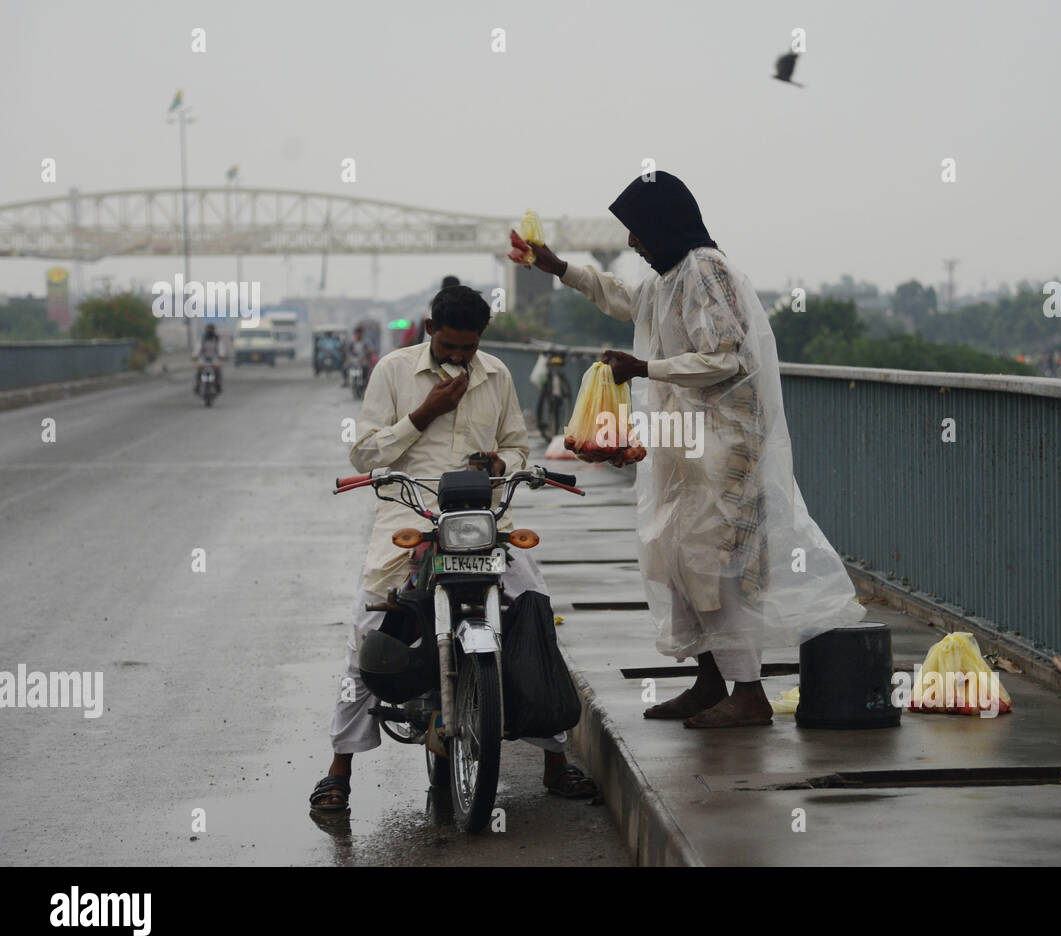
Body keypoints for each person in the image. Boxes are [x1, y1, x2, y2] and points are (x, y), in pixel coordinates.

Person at [518, 172, 863, 729]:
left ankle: (749, 693)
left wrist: (644, 368)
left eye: (637, 231)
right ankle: (709, 680)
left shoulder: (707, 270)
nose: (632, 243)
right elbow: (627, 299)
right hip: (681, 444)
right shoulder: (668, 277)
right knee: (675, 558)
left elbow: (726, 355)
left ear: (662, 224)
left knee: (716, 565)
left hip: (725, 448)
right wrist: (559, 268)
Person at [310, 285, 596, 811]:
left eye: (469, 348)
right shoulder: (393, 371)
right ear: (430, 332)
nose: (460, 358)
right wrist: (423, 414)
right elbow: (363, 453)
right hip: (410, 515)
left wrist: (500, 465)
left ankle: (556, 763)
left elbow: (517, 445)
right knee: (370, 633)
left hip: (484, 520)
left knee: (534, 614)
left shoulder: (498, 375)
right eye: (450, 347)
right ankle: (338, 771)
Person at [403, 275, 460, 348]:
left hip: (431, 345)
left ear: (442, 287)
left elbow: (422, 331)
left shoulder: (435, 302)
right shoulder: (462, 305)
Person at [192, 323, 225, 393]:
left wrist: (221, 355)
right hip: (203, 359)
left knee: (218, 371)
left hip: (214, 358)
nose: (209, 331)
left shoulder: (217, 340)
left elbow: (221, 348)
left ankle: (218, 384)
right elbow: (198, 348)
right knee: (199, 370)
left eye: (211, 329)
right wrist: (195, 355)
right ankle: (198, 385)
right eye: (208, 329)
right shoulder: (202, 339)